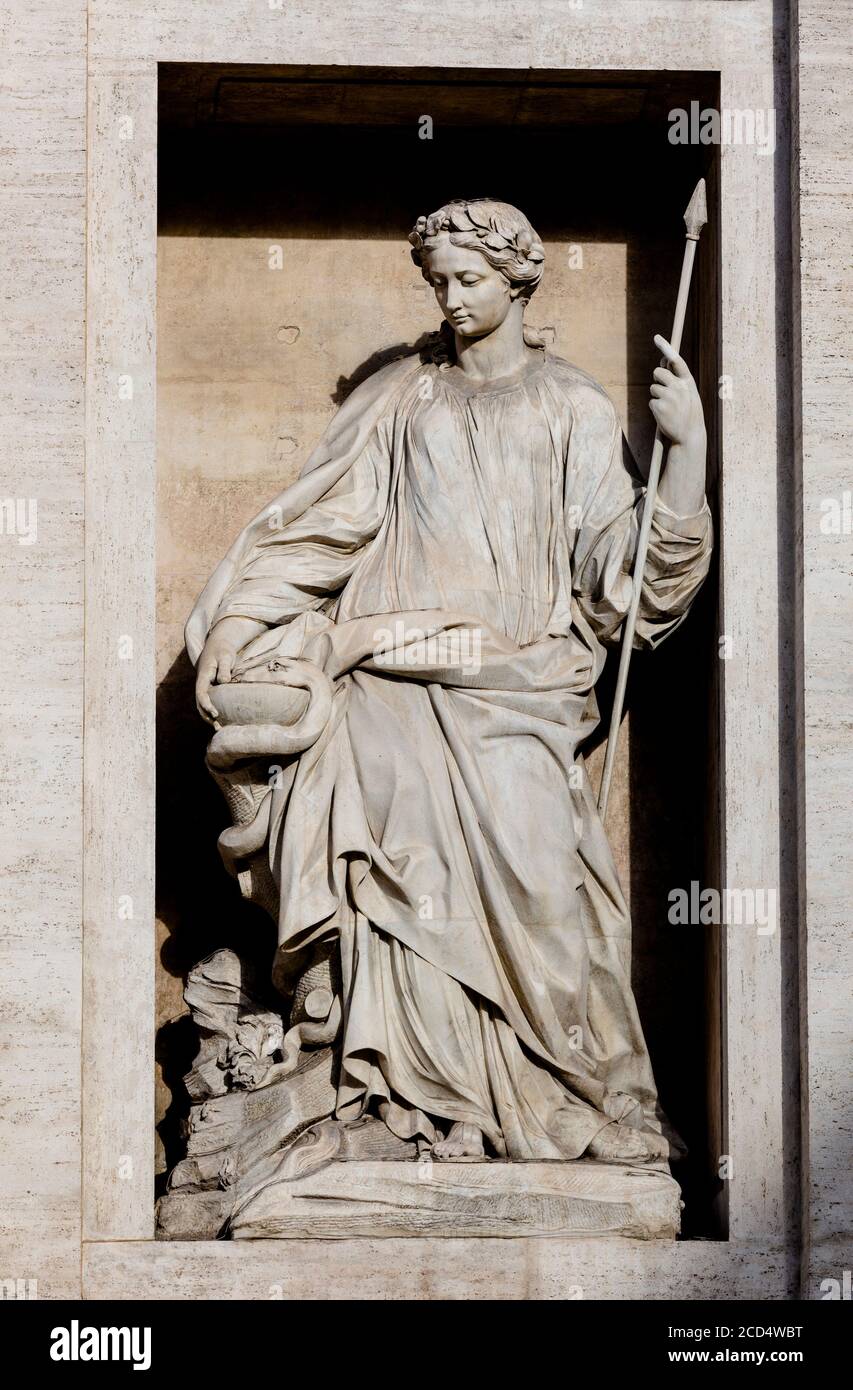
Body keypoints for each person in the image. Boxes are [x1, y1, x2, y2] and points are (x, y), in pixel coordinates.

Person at [186, 198, 712, 1163]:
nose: (452, 298)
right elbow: (319, 526)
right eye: (437, 282)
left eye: (468, 279)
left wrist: (684, 460)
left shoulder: (574, 408)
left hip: (517, 685)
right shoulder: (401, 397)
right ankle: (402, 1101)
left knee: (544, 878)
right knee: (381, 847)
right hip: (391, 677)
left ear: (518, 280)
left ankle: (563, 1087)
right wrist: (240, 614)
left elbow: (626, 587)